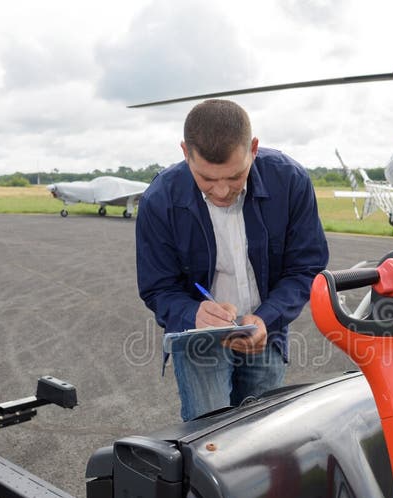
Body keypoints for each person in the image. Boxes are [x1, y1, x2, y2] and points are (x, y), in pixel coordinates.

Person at [136, 99, 330, 421]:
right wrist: (192, 313)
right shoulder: (159, 200)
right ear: (186, 153)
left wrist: (267, 316)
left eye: (236, 175)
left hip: (266, 330)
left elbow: (306, 268)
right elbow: (158, 288)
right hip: (197, 336)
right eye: (207, 180)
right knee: (210, 438)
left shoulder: (290, 181)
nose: (223, 191)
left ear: (253, 148)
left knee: (260, 433)